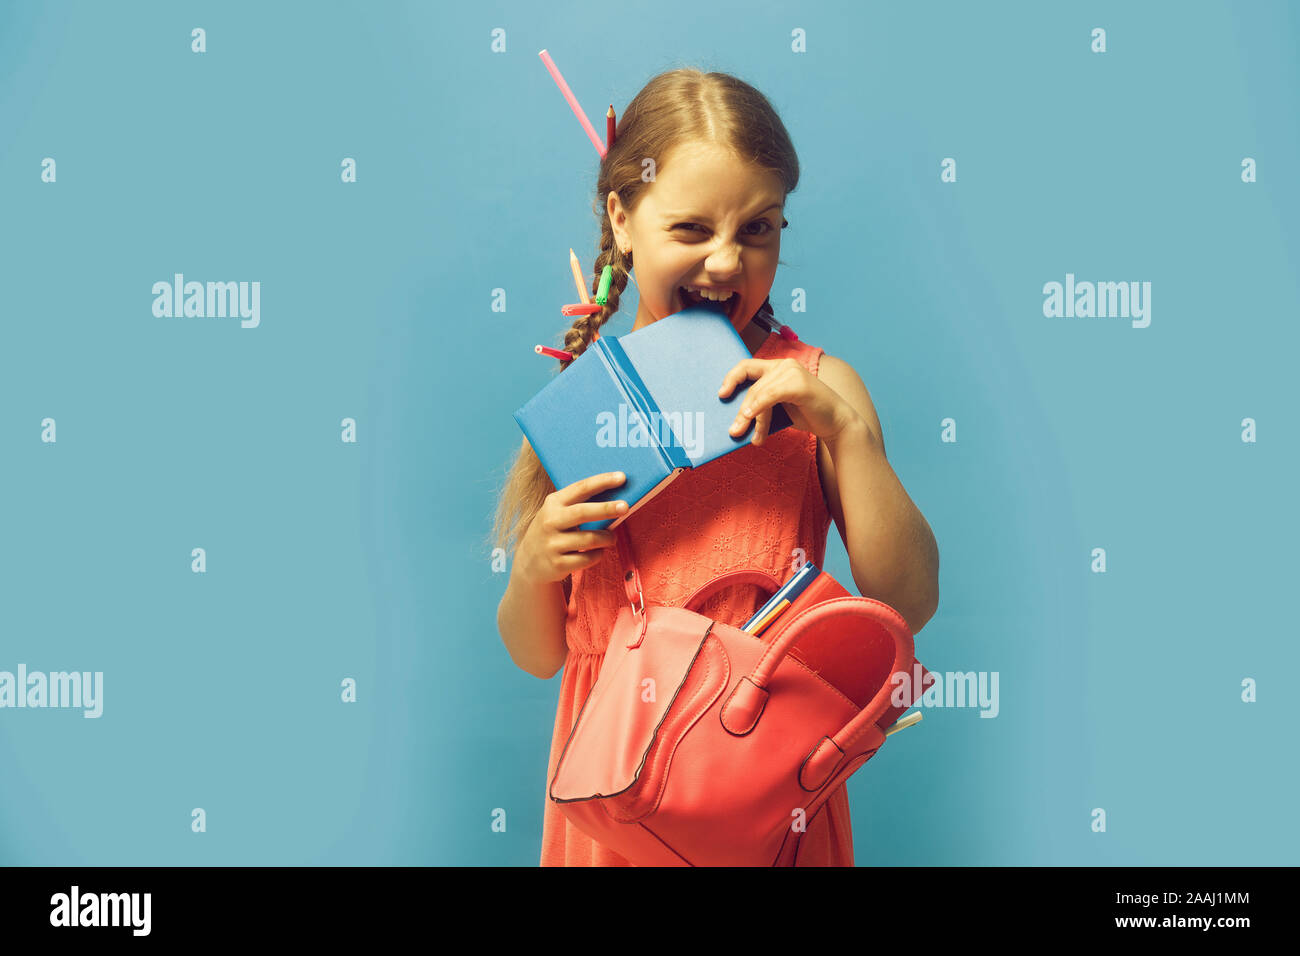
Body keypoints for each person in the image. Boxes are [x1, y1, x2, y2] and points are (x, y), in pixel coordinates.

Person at [491, 68, 940, 866]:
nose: (728, 262)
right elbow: (538, 655)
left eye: (759, 230)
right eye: (692, 231)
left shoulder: (817, 389)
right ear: (623, 221)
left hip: (762, 791)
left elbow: (908, 601)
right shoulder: (585, 396)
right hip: (616, 792)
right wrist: (531, 569)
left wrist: (849, 437)